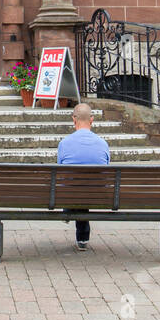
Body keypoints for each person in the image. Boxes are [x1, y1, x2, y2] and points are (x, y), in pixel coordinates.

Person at [56, 102, 110, 250]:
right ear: (91, 119)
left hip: (71, 194)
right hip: (98, 194)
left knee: (75, 187)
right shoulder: (103, 143)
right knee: (86, 187)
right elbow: (105, 170)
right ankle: (83, 238)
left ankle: (68, 211)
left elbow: (60, 172)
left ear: (74, 119)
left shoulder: (64, 143)